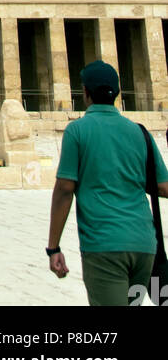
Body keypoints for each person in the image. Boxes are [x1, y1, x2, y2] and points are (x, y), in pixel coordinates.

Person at [47, 60, 168, 305]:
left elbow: (64, 189)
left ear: (85, 93)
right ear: (117, 94)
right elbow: (163, 186)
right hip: (144, 246)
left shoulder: (77, 131)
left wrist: (53, 247)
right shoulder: (139, 132)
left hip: (104, 247)